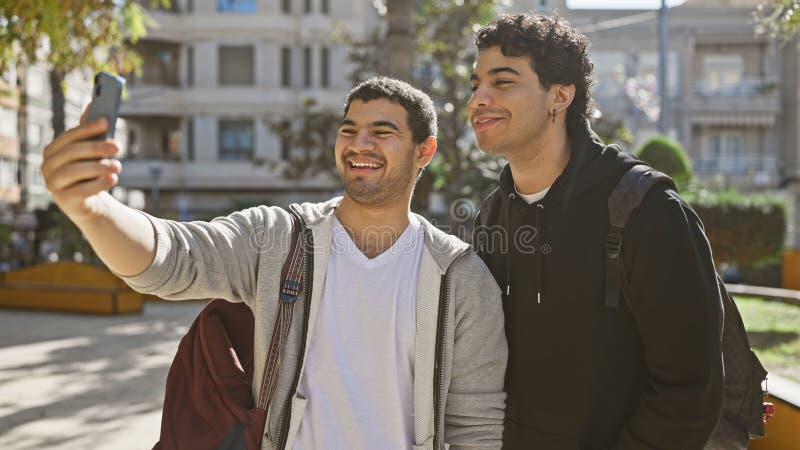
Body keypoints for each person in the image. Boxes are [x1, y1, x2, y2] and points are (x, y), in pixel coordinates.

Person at [41, 77, 507, 450]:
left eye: (382, 133)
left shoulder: (460, 277)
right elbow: (173, 258)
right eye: (349, 130)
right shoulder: (278, 237)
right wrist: (93, 210)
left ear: (423, 151)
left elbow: (476, 428)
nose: (359, 144)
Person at [469, 13, 724, 449]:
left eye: (503, 81)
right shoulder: (491, 218)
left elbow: (689, 393)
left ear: (560, 96)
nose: (478, 99)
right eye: (475, 85)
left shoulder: (647, 211)